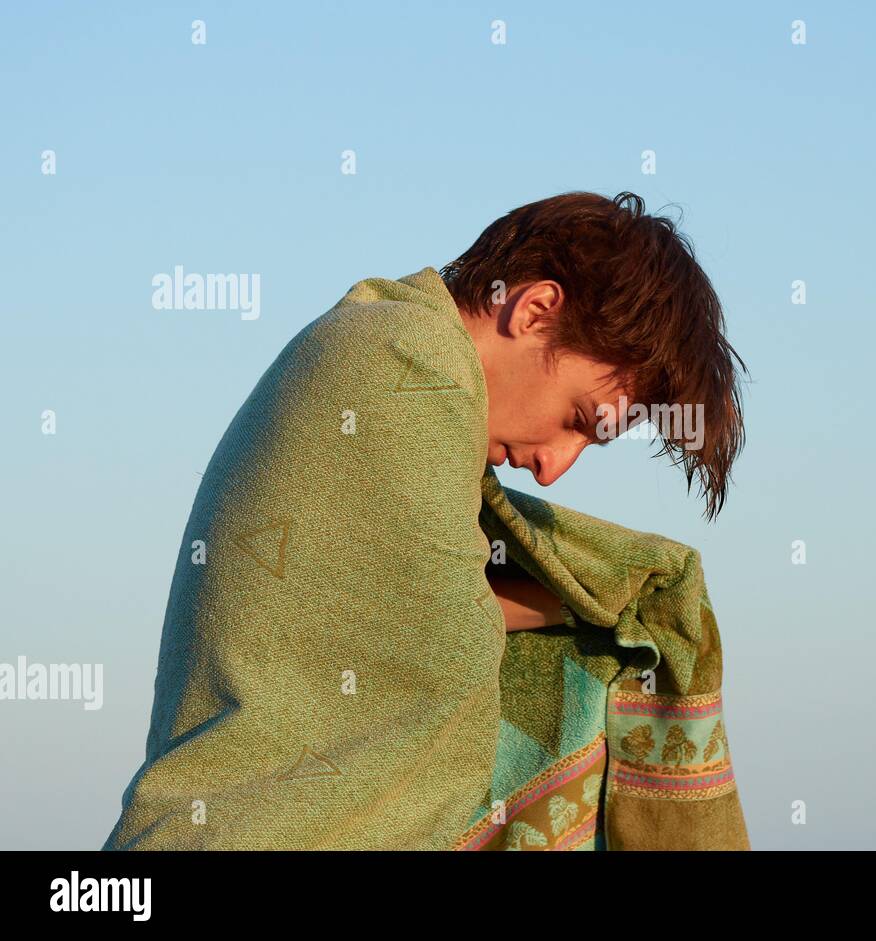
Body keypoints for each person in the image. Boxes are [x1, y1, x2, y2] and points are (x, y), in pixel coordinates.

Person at [103, 191, 747, 849]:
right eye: (578, 420)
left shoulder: (379, 339)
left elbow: (411, 615)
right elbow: (445, 641)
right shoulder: (407, 360)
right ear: (534, 310)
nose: (555, 468)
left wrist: (608, 601)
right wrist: (612, 598)